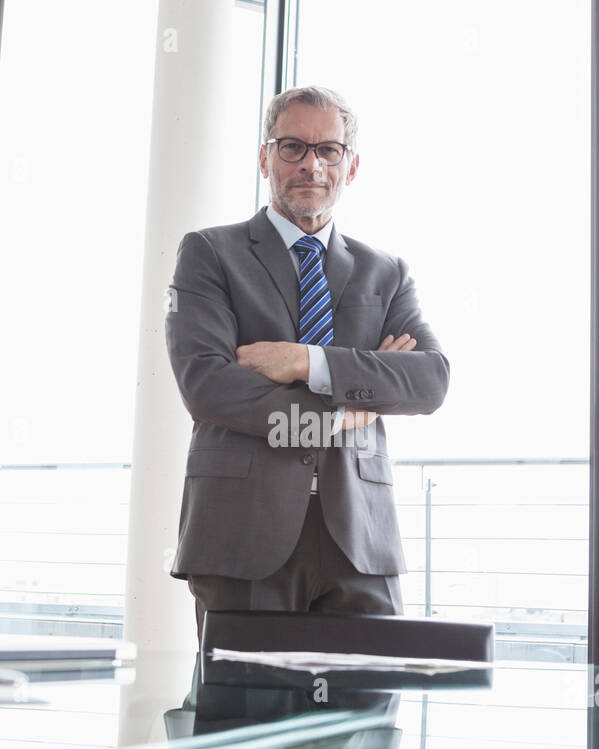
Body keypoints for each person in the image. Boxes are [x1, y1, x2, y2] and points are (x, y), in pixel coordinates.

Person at [164, 85, 449, 631]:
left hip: (361, 540)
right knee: (244, 713)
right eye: (292, 147)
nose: (311, 164)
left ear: (351, 164)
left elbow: (429, 381)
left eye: (328, 150)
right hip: (242, 534)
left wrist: (307, 362)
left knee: (367, 710)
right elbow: (207, 385)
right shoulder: (210, 254)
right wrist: (346, 410)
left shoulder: (385, 273)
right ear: (265, 157)